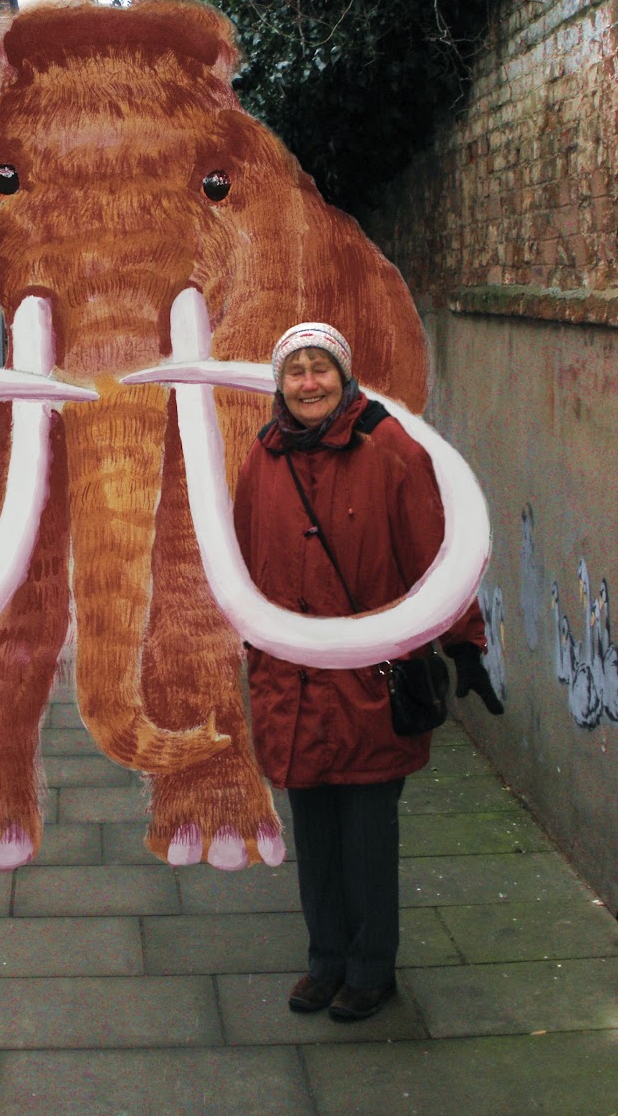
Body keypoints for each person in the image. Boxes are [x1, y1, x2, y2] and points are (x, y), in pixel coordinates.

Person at [233, 321, 502, 1022]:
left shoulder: (389, 450)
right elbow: (236, 564)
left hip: (367, 682)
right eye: (295, 371)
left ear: (343, 375)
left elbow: (433, 553)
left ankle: (370, 969)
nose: (308, 383)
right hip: (288, 683)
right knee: (314, 834)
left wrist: (464, 644)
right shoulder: (260, 460)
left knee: (366, 834)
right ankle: (324, 960)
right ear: (278, 384)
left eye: (320, 368)